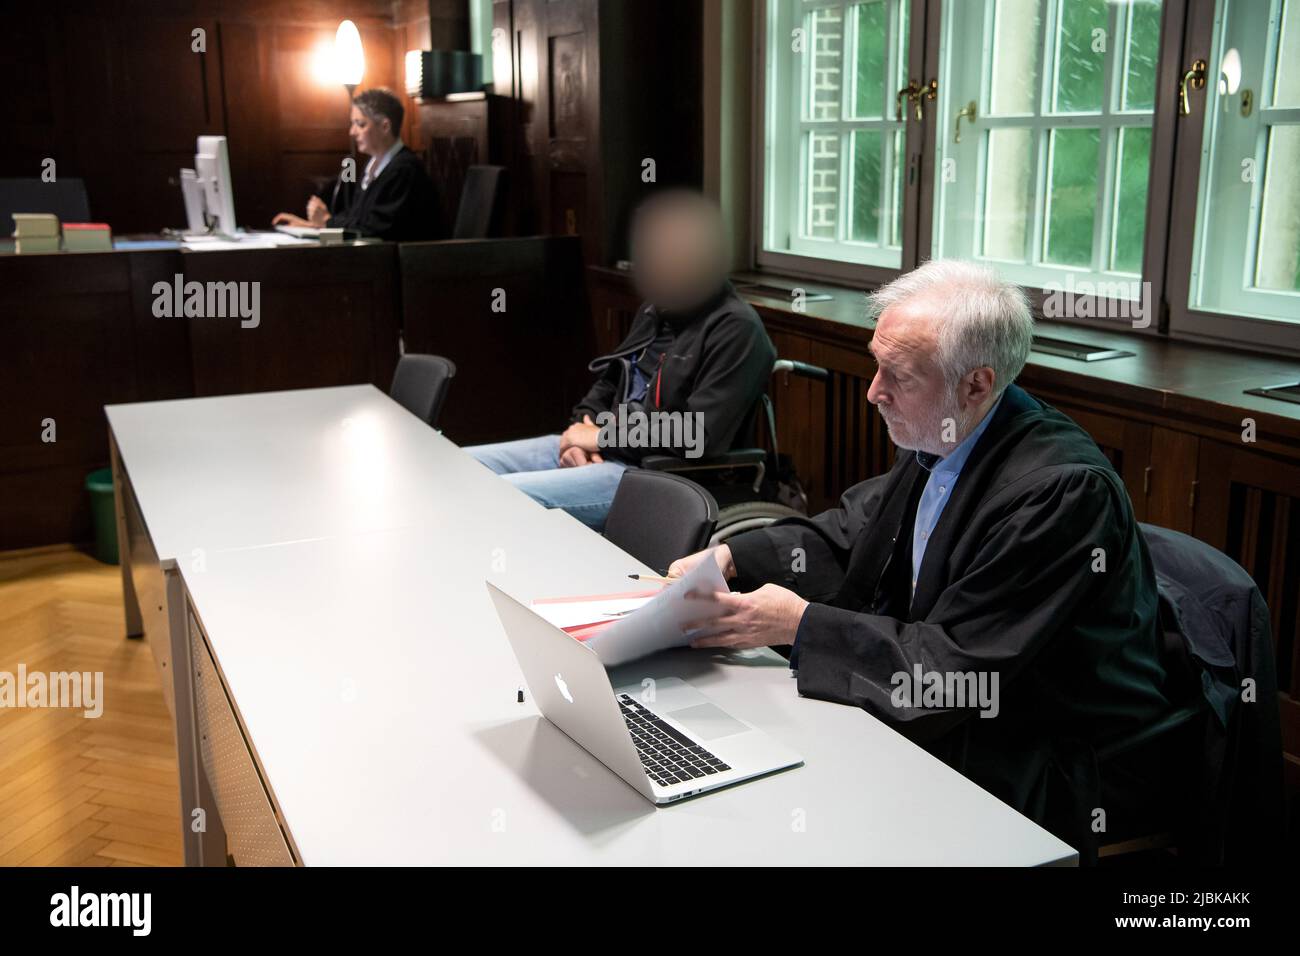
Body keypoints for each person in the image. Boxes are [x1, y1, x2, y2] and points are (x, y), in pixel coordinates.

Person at [670, 259, 1169, 862]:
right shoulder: (946, 428)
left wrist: (798, 624)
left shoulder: (1059, 493)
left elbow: (958, 669)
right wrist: (732, 556)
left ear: (977, 384)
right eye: (876, 364)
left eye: (896, 375)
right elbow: (852, 532)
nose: (873, 390)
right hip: (966, 709)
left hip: (1043, 743)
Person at [464, 190, 776, 530]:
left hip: (654, 473)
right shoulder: (658, 309)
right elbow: (609, 382)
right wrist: (580, 432)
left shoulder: (737, 329)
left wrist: (600, 438)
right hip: (604, 449)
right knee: (462, 467)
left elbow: (699, 434)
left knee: (501, 498)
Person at [273, 88, 438, 241]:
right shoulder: (372, 166)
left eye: (360, 124)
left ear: (385, 126)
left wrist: (327, 221)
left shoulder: (404, 170)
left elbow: (377, 230)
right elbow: (356, 218)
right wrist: (312, 226)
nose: (352, 132)